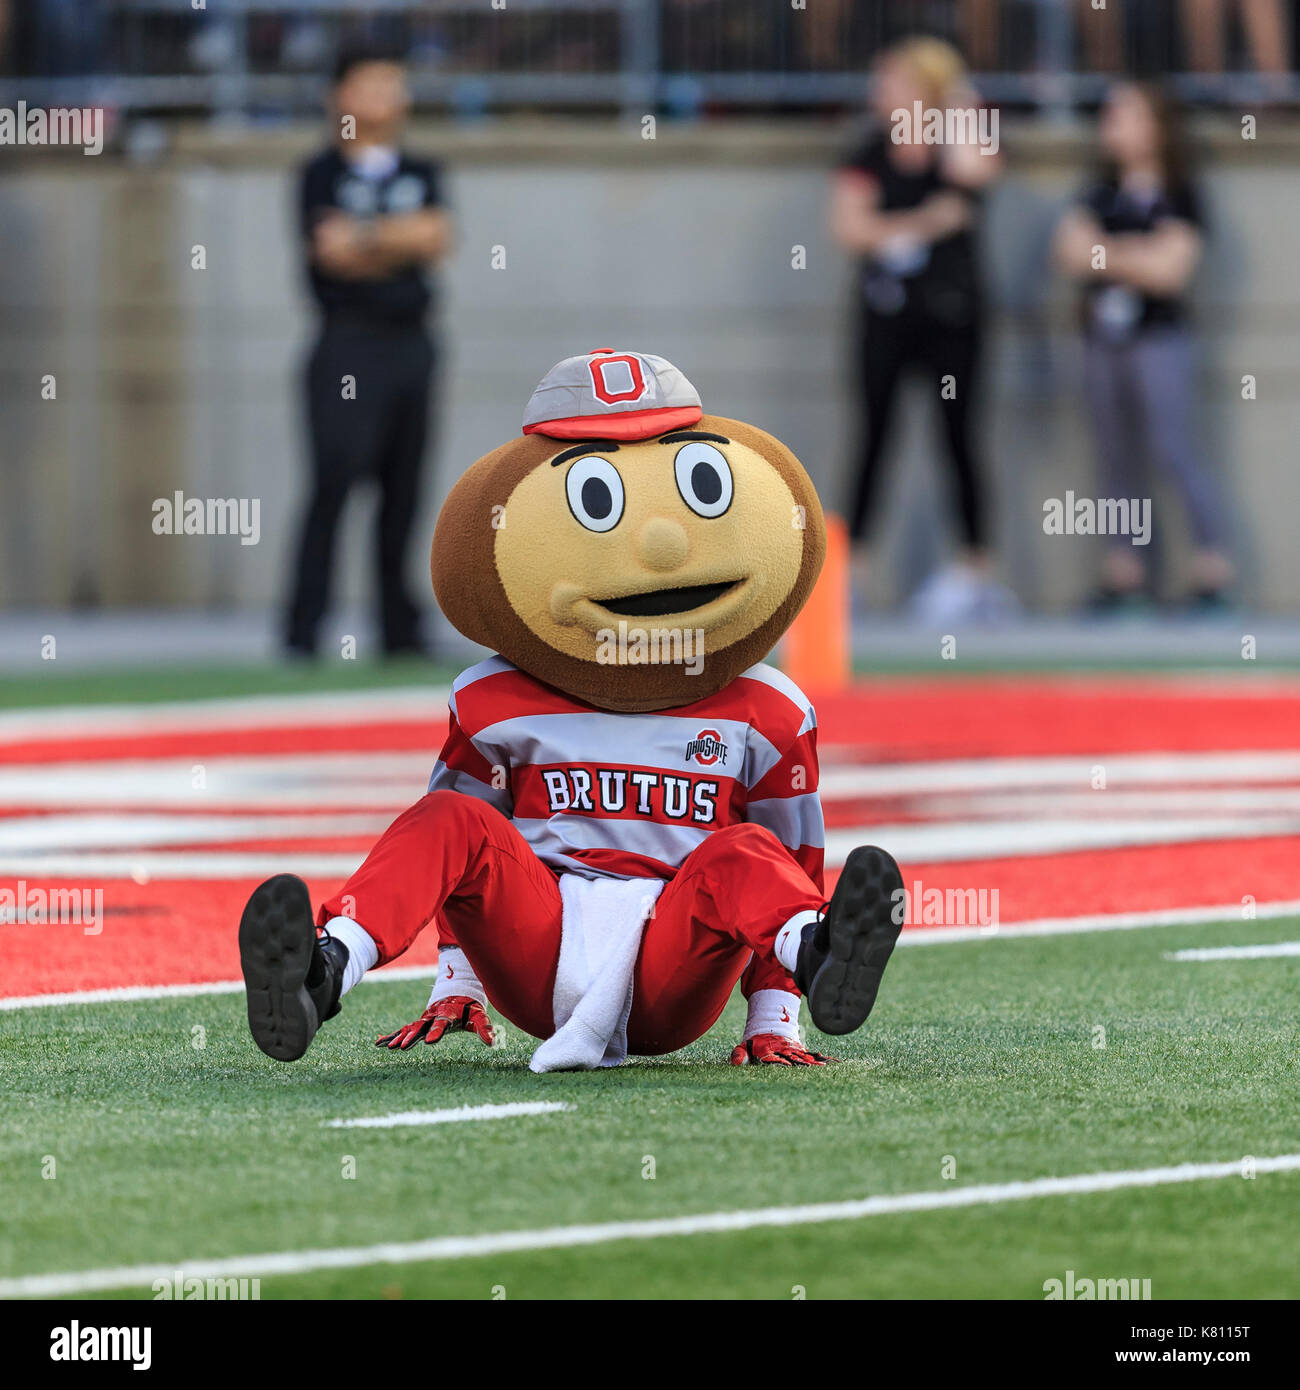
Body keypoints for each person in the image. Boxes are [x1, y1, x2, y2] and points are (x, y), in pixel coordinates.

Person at [241, 350, 906, 1071]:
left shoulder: (768, 710)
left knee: (742, 853)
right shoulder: (495, 698)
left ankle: (820, 958)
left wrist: (772, 1017)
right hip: (540, 947)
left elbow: (792, 862)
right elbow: (459, 859)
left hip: (672, 964)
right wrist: (460, 979)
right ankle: (324, 971)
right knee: (449, 818)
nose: (656, 543)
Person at [829, 36, 1008, 623]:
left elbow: (974, 173)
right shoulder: (868, 152)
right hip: (886, 316)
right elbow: (852, 228)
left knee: (958, 437)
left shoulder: (955, 143)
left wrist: (957, 103)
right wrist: (927, 219)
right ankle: (849, 573)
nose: (881, 95)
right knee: (873, 437)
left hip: (952, 317)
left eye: (895, 83)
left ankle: (974, 571)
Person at [284, 41, 453, 659]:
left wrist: (366, 239)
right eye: (373, 84)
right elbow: (327, 250)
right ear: (341, 96)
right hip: (346, 346)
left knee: (404, 490)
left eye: (396, 84)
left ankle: (399, 631)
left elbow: (439, 235)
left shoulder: (422, 169)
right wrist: (397, 239)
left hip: (413, 345)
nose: (389, 97)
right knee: (334, 483)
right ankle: (304, 628)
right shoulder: (320, 171)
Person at [1053, 82, 1235, 610]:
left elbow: (1171, 270)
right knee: (1115, 456)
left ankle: (1212, 565)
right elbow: (1068, 253)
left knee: (1173, 448)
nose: (1114, 125)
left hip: (1159, 337)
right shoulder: (1098, 192)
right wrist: (1137, 254)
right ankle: (1126, 570)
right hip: (1102, 338)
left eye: (1127, 115)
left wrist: (1106, 253)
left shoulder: (1179, 192)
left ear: (1156, 126)